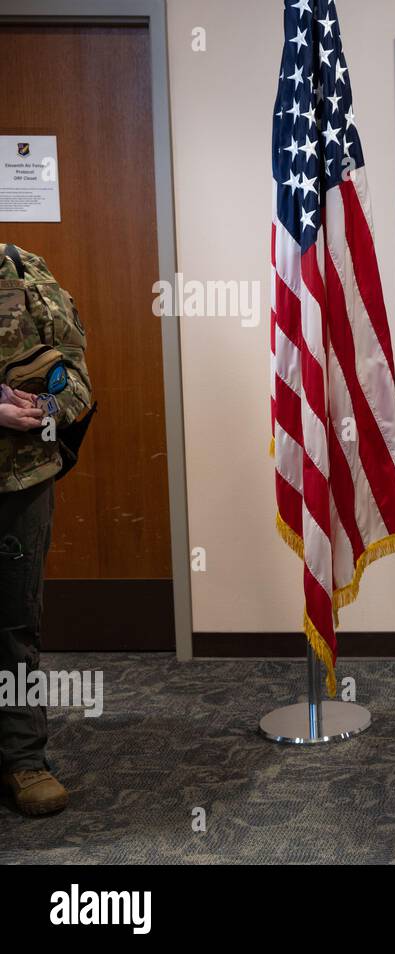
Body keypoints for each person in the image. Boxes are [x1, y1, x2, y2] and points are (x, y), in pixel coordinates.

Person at [0, 243, 93, 817]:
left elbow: (77, 372)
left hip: (19, 478)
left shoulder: (21, 268)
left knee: (15, 623)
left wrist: (47, 407)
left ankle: (23, 758)